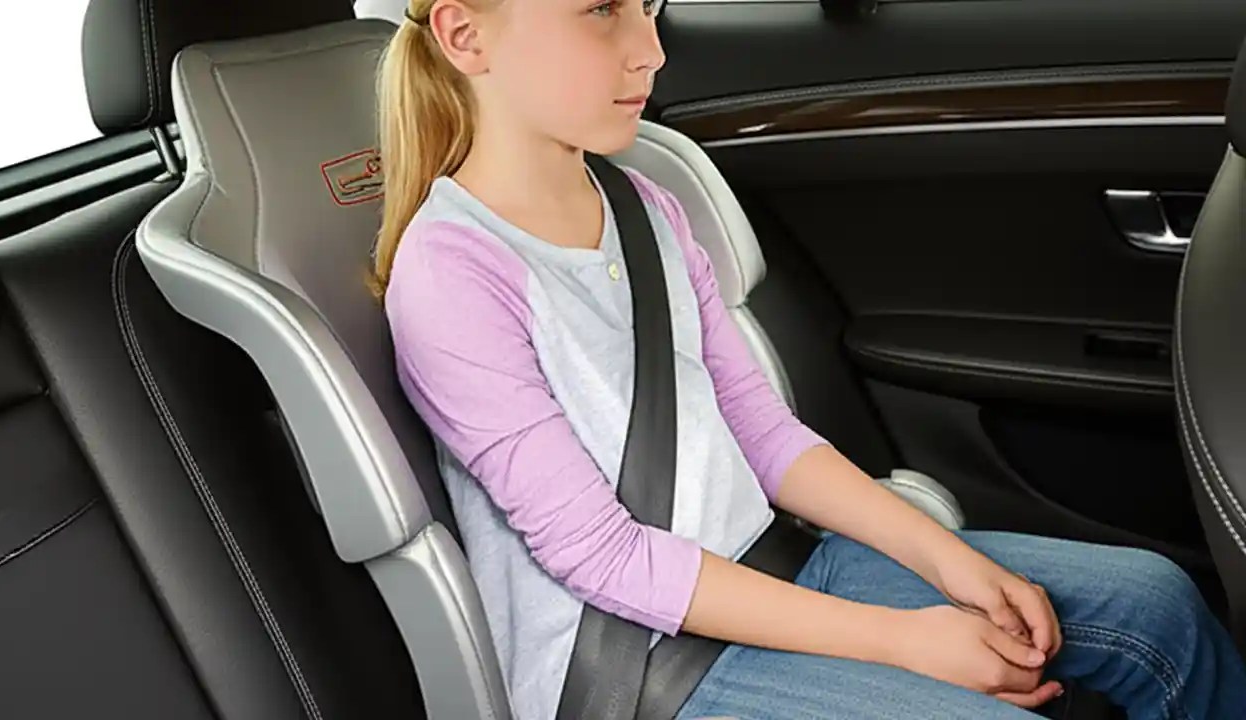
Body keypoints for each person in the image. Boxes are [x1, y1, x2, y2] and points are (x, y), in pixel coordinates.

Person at [368, 0, 1246, 717]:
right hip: (638, 666)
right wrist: (903, 641)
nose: (650, 51)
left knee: (1158, 606)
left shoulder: (644, 207)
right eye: (601, 10)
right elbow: (601, 558)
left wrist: (953, 561)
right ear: (465, 35)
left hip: (773, 564)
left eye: (647, 5)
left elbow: (762, 432)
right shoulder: (452, 274)